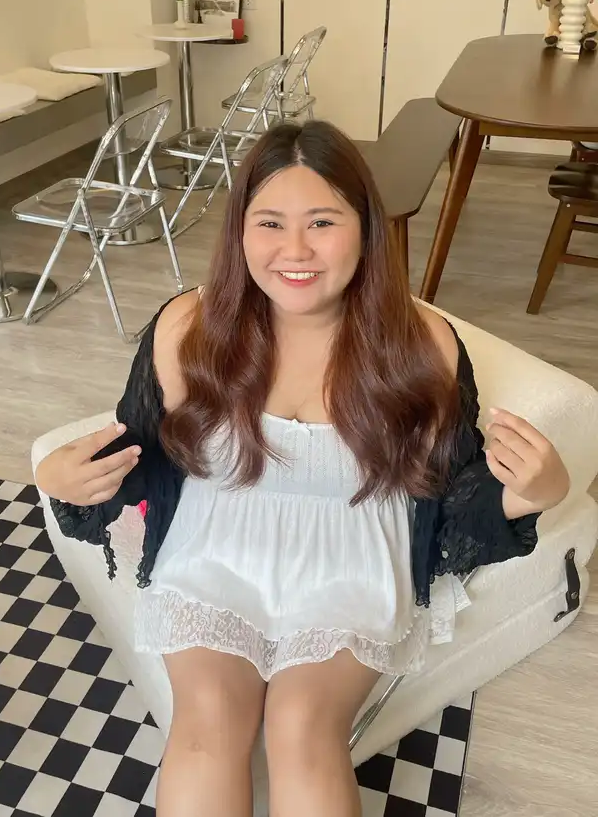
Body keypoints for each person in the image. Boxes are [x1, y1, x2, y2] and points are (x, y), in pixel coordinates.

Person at [36, 121, 570, 817]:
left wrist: (531, 494)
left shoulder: (422, 344)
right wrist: (63, 479)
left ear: (366, 230)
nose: (294, 250)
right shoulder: (187, 327)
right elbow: (140, 454)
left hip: (353, 558)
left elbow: (449, 493)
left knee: (302, 731)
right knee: (204, 731)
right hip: (215, 546)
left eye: (322, 221)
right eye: (270, 223)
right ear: (240, 232)